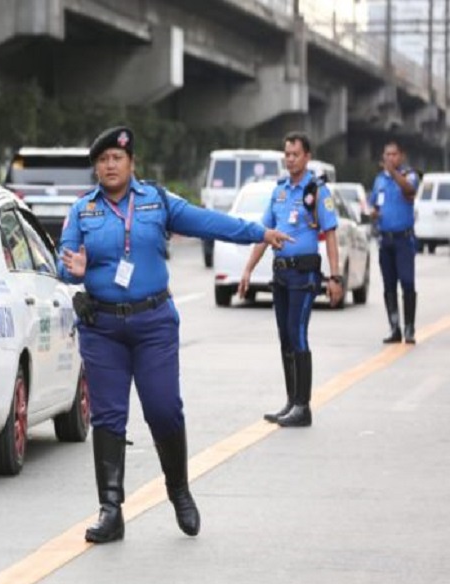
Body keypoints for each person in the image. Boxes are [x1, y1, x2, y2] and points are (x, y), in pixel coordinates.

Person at [57, 125, 292, 544]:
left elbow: (208, 222)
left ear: (131, 164)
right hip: (102, 327)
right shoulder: (82, 212)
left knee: (164, 408)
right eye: (103, 160)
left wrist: (260, 232)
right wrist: (70, 269)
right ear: (96, 167)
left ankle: (179, 490)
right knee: (108, 417)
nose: (109, 165)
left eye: (117, 158)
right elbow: (65, 261)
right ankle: (110, 511)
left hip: (153, 324)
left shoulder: (156, 201)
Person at [239, 131, 343, 429]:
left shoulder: (317, 190)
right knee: (285, 336)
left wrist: (335, 277)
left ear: (307, 156)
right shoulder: (280, 191)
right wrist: (248, 269)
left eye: (295, 154)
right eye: (286, 154)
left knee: (298, 333)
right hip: (281, 272)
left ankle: (303, 407)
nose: (290, 159)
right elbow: (264, 233)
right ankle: (291, 401)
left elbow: (331, 234)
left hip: (304, 273)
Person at [369, 140, 420, 344]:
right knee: (389, 285)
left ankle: (409, 328)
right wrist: (374, 213)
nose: (390, 158)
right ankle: (394, 327)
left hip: (403, 240)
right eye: (387, 155)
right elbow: (375, 204)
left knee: (407, 283)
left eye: (394, 154)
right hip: (386, 239)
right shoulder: (379, 180)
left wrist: (394, 173)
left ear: (401, 156)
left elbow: (409, 190)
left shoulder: (410, 175)